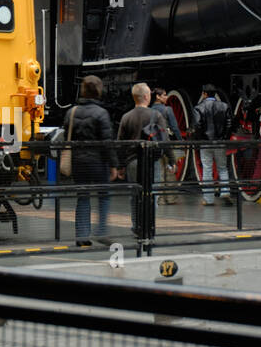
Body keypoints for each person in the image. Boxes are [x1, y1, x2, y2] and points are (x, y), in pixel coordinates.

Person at [65, 75, 116, 247]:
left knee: (83, 197)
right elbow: (107, 141)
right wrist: (114, 164)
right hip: (98, 162)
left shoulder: (71, 112)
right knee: (104, 195)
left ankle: (82, 236)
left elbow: (67, 138)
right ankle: (101, 231)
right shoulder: (102, 113)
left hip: (79, 162)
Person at [116, 82, 164, 235]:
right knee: (152, 193)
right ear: (145, 96)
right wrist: (170, 159)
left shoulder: (126, 117)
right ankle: (149, 226)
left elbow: (120, 143)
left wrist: (120, 166)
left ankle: (137, 226)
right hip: (151, 160)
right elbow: (164, 139)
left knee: (135, 196)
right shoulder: (156, 115)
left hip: (132, 161)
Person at [194, 83, 232, 205]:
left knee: (207, 169)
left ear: (204, 94)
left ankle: (208, 199)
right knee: (222, 168)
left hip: (205, 143)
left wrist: (200, 139)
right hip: (220, 142)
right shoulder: (224, 106)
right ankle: (225, 191)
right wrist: (224, 137)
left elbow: (197, 126)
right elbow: (229, 124)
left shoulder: (199, 108)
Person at [151, 88, 183, 204]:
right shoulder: (167, 110)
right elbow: (175, 127)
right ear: (158, 97)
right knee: (170, 169)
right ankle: (170, 198)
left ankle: (159, 199)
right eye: (164, 95)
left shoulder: (149, 110)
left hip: (155, 143)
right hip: (167, 141)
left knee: (158, 171)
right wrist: (181, 141)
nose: (166, 97)